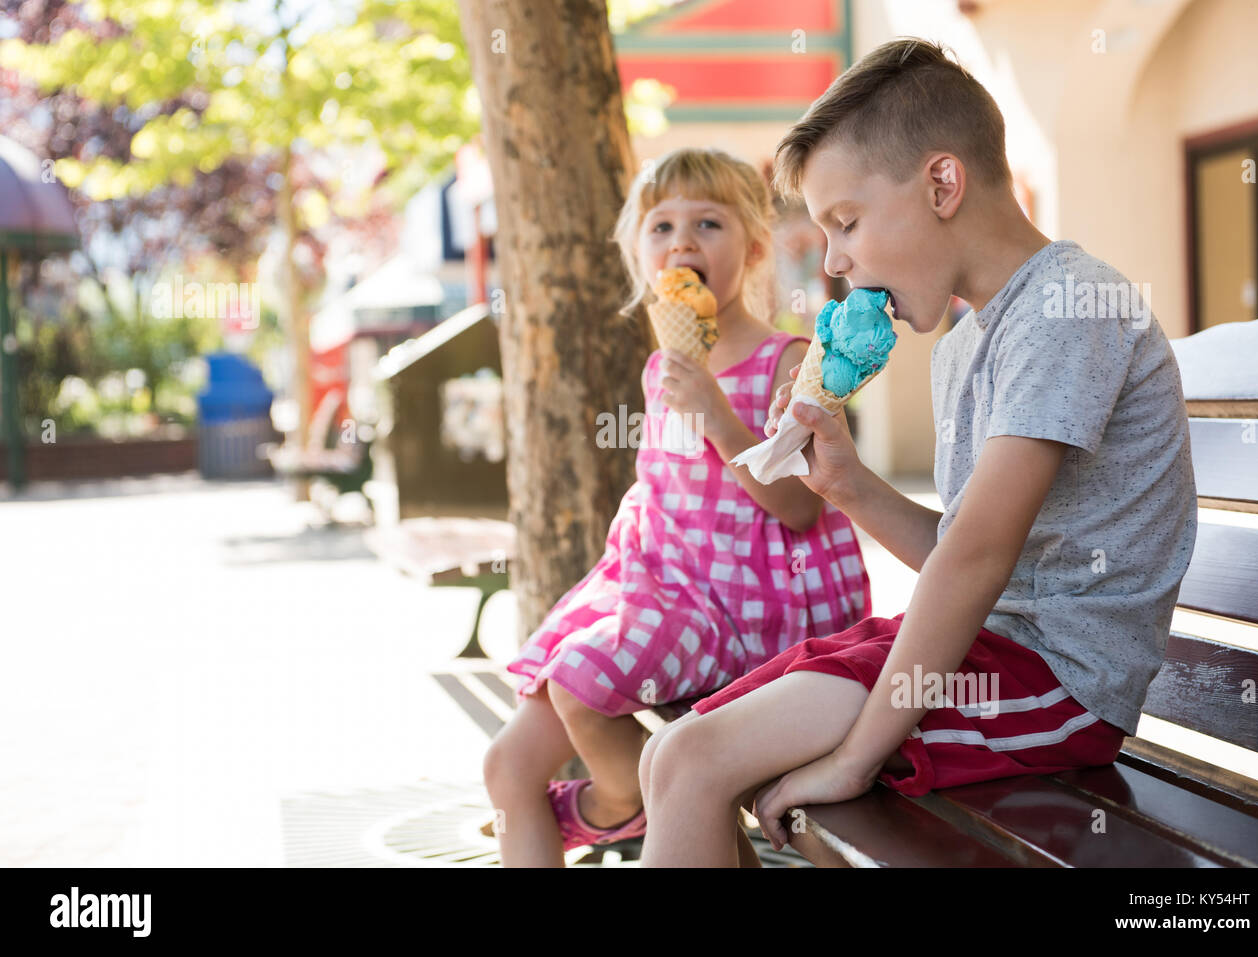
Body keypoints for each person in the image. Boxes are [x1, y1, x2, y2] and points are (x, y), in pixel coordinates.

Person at [636, 38, 1199, 867]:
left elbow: (974, 561)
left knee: (697, 762)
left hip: (1059, 687)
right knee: (669, 754)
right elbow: (961, 553)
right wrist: (851, 486)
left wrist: (856, 756)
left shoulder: (1069, 310)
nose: (833, 262)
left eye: (846, 222)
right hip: (981, 651)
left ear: (942, 183)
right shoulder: (964, 340)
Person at [483, 147, 873, 867]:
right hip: (659, 582)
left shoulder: (787, 360)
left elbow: (798, 509)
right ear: (640, 255)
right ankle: (640, 801)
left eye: (708, 223)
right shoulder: (661, 365)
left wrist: (721, 417)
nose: (682, 241)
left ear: (755, 249)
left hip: (749, 604)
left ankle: (617, 805)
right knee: (505, 767)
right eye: (660, 226)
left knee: (577, 678)